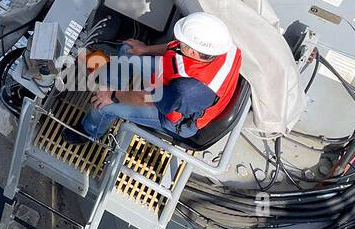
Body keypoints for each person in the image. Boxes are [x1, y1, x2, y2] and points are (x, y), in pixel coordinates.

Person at [80, 11, 240, 141]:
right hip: (169, 83)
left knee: (103, 107)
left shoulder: (187, 90)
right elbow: (175, 48)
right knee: (127, 50)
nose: (177, 41)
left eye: (182, 41)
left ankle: (90, 132)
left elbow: (147, 99)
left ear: (192, 52)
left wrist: (113, 96)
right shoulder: (223, 45)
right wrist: (144, 49)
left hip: (175, 118)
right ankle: (108, 86)